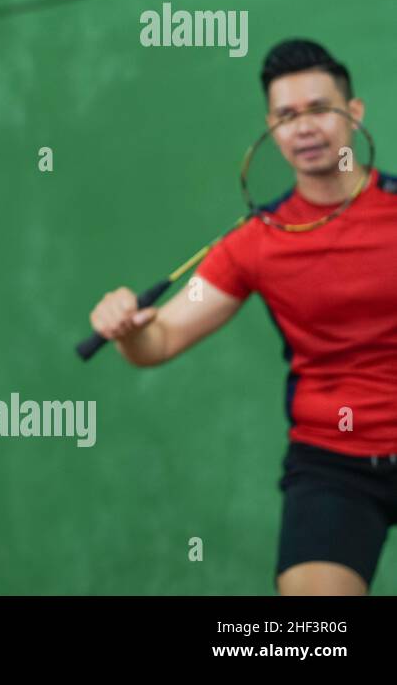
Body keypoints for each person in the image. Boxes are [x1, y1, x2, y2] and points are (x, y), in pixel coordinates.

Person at [88, 39, 397, 596]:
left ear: (354, 114)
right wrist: (128, 330)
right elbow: (160, 342)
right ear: (270, 129)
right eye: (286, 115)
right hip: (333, 464)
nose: (303, 127)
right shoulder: (255, 243)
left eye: (319, 109)